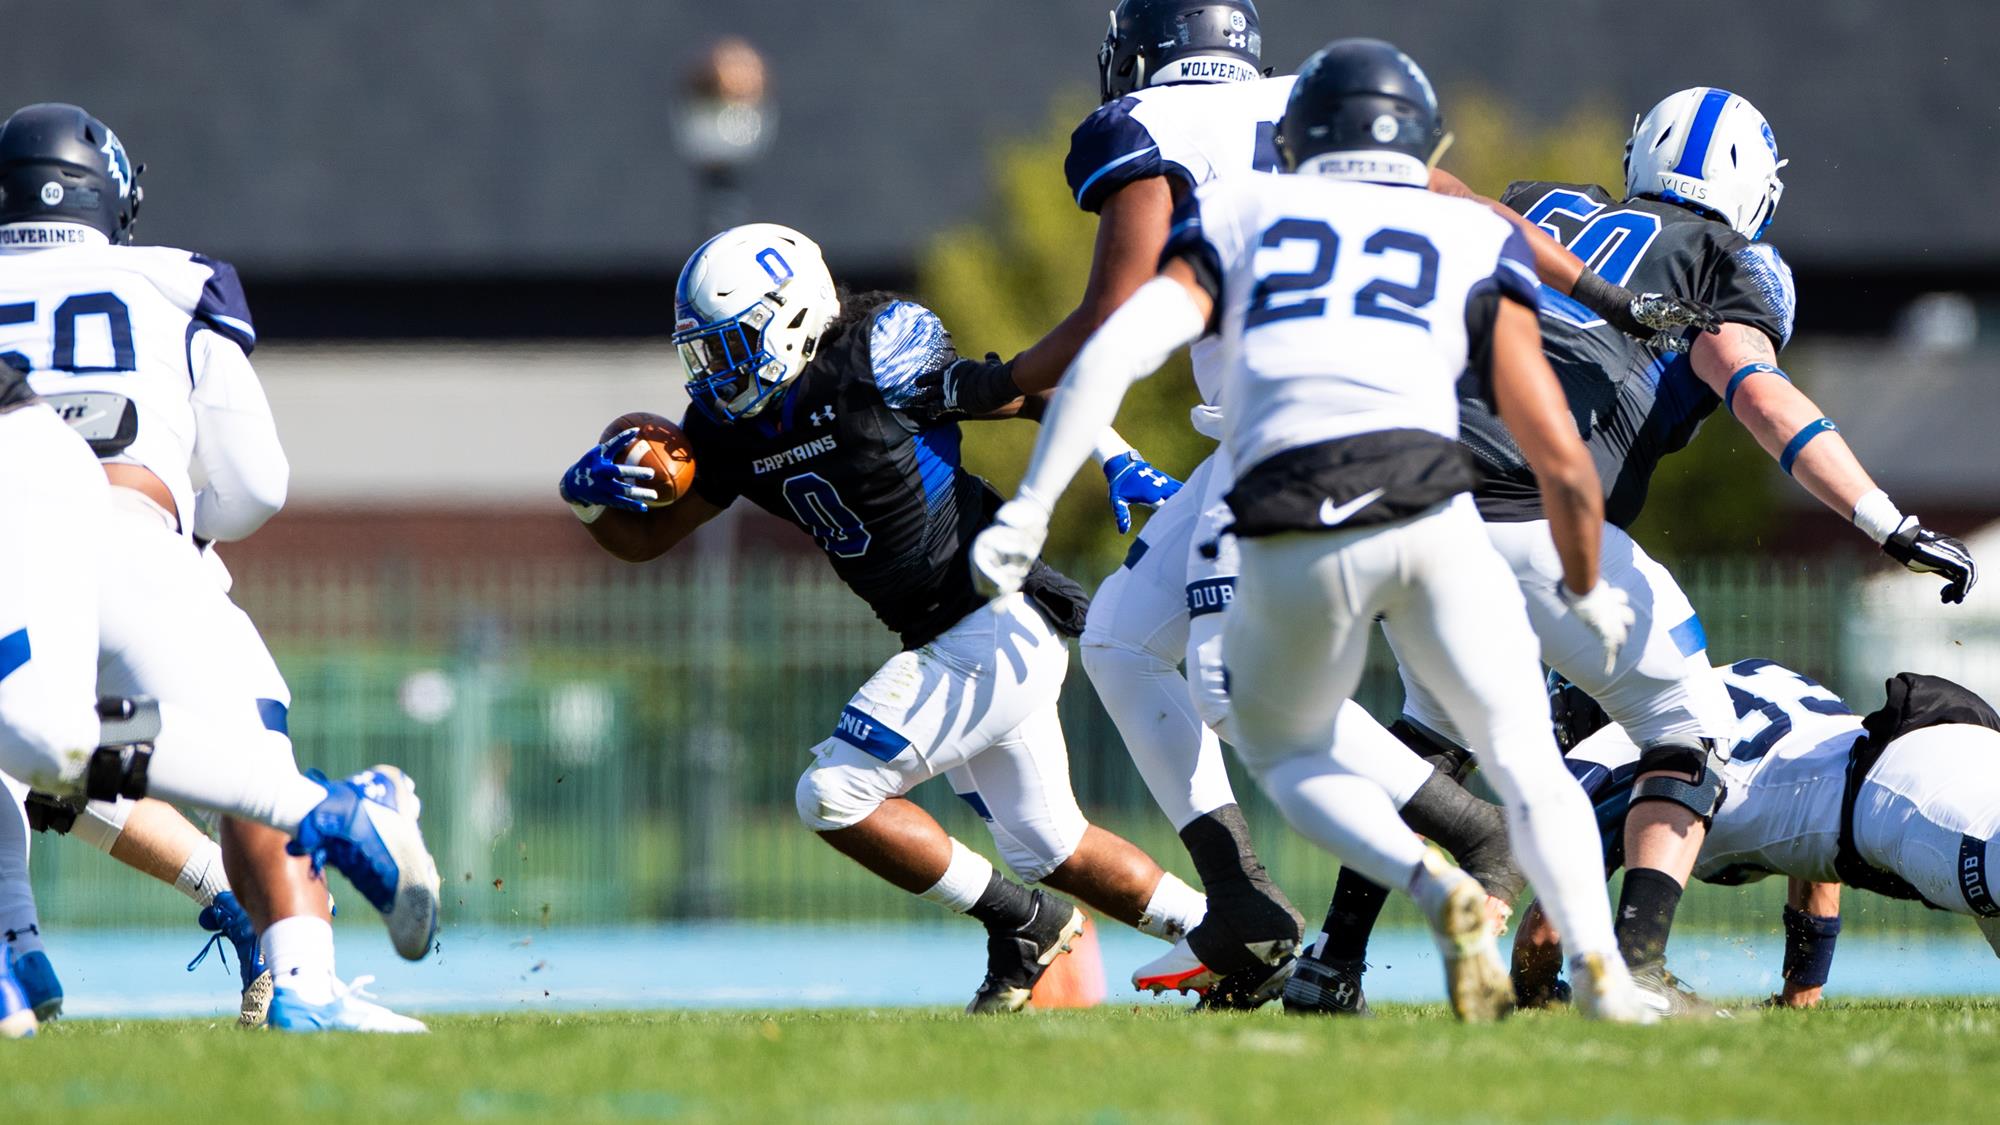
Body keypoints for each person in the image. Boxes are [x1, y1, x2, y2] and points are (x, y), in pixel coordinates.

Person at [1010, 0, 1710, 1008]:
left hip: (1280, 480)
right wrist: (1586, 575)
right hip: (1432, 503)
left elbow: (1116, 336)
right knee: (1127, 634)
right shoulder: (1452, 224)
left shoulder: (1232, 204)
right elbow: (1552, 433)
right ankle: (1599, 973)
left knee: (1255, 718)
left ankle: (1444, 859)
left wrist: (1017, 461)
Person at [1294, 85, 1977, 1015]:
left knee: (1434, 736)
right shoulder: (1728, 262)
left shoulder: (1546, 204)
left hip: (1409, 479)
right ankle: (1636, 965)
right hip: (1531, 504)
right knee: (1686, 719)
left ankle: (1329, 963)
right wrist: (1881, 516)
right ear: (1751, 190)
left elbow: (1433, 189)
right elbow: (1758, 393)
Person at [558, 223, 1205, 1013]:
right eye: (705, 351)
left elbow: (1016, 386)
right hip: (957, 636)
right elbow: (648, 538)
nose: (716, 371)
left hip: (989, 621)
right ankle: (1223, 931)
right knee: (1052, 843)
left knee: (833, 791)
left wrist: (1114, 451)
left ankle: (1024, 924)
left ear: (791, 316)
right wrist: (590, 498)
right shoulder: (726, 430)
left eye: (732, 344)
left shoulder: (871, 359)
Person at [0, 105, 441, 1039]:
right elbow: (254, 484)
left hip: (24, 528)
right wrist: (184, 538)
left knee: (35, 745)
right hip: (125, 527)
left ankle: (15, 948)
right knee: (239, 730)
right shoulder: (171, 281)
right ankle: (305, 970)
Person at [1517, 659, 2000, 1010]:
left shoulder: (1626, 737)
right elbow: (1815, 857)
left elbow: (1546, 930)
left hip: (1901, 800)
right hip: (1935, 751)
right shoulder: (1745, 676)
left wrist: (1535, 996)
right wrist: (1799, 997)